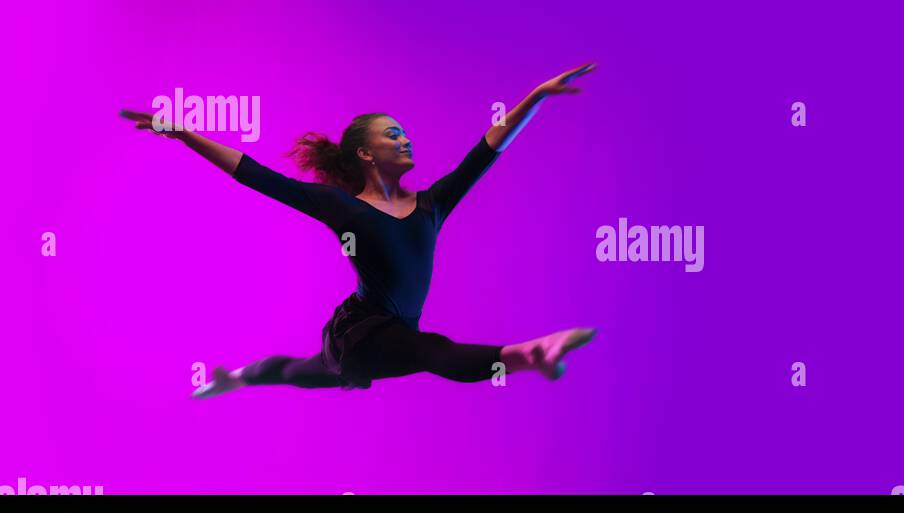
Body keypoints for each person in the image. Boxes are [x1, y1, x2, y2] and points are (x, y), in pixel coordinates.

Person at [119, 63, 599, 398]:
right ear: (366, 154)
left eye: (405, 132)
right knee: (431, 352)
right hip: (361, 334)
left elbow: (486, 150)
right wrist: (180, 132)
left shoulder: (432, 205)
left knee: (295, 370)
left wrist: (534, 96)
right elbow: (254, 174)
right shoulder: (341, 208)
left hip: (391, 339)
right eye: (392, 134)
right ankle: (529, 353)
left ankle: (237, 376)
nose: (405, 137)